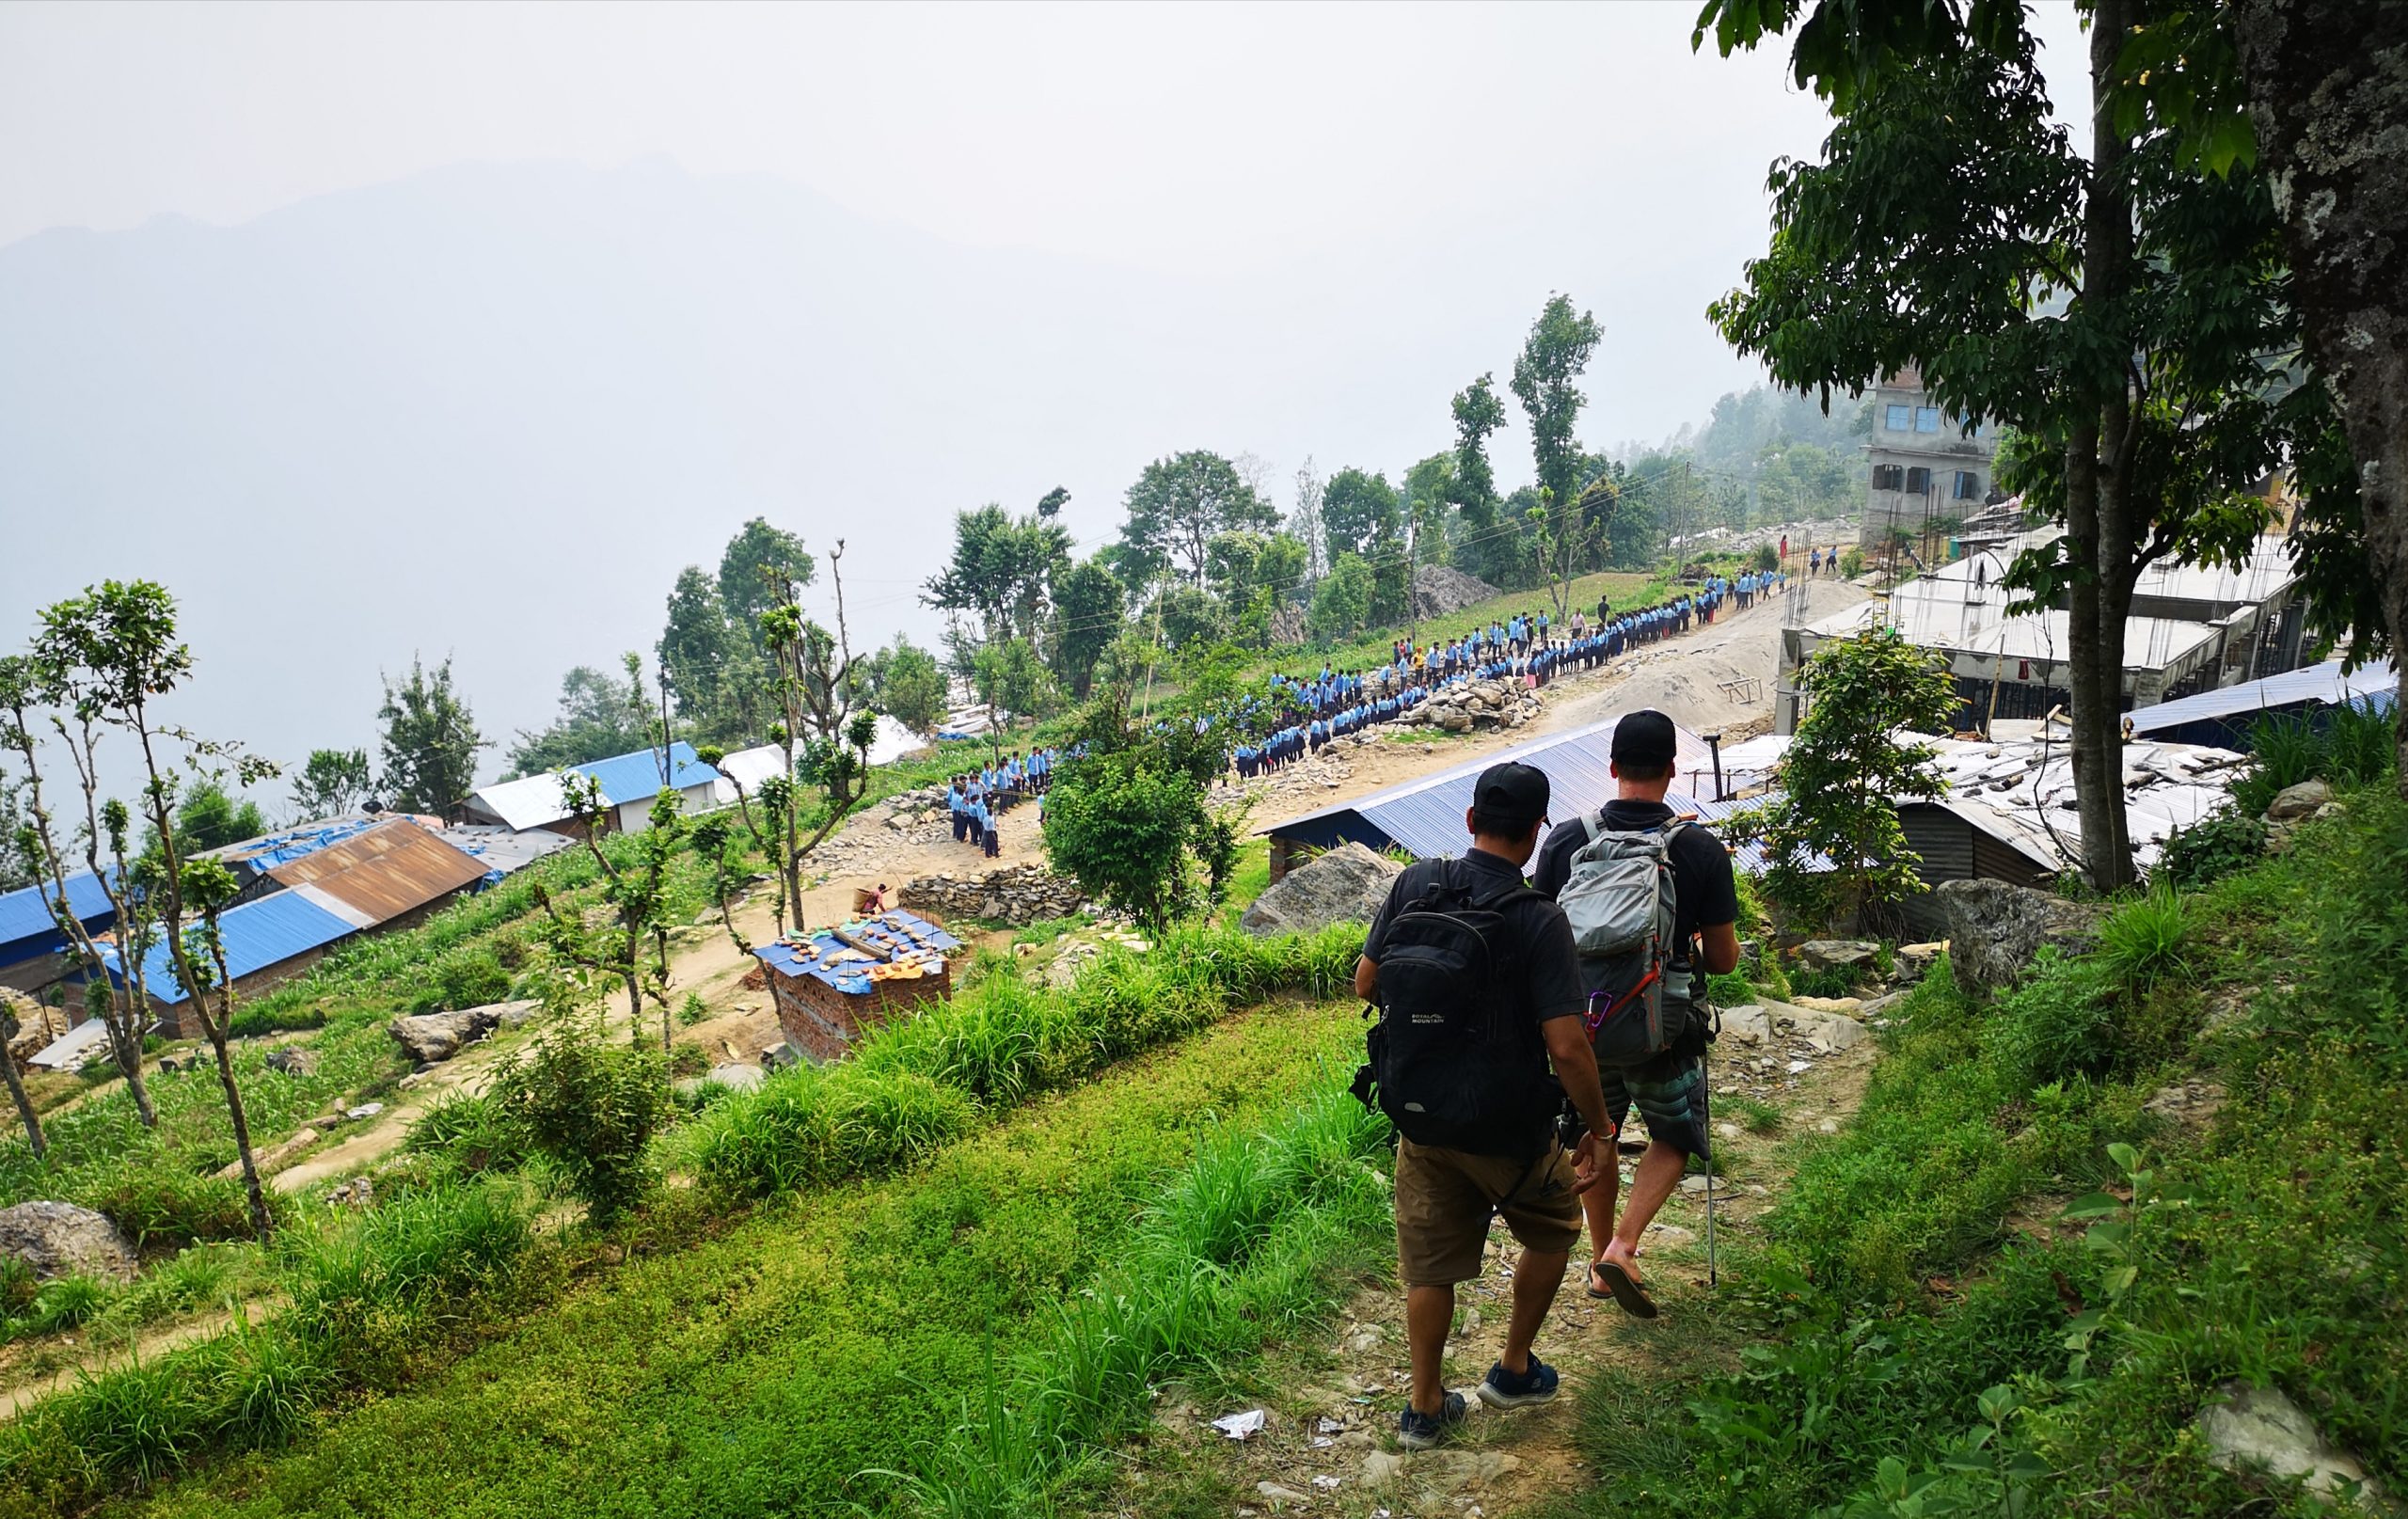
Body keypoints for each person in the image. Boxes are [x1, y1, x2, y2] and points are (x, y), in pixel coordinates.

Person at [1355, 762, 1618, 1449]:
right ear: (1535, 835)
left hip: (1421, 1117)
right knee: (1556, 1229)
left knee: (1429, 1264)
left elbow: (1365, 983)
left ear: (1470, 821)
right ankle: (1513, 1366)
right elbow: (1566, 1045)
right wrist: (1599, 1127)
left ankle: (1423, 1407)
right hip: (1511, 1130)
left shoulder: (1415, 883)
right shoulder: (1538, 919)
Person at [1529, 710, 1741, 1318]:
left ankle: (1601, 1262)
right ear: (1672, 769)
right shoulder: (1698, 848)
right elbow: (1723, 960)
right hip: (1661, 1029)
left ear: (1614, 767)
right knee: (1674, 1135)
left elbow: (1540, 941)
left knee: (1600, 1134)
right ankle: (1624, 1245)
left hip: (1583, 1029)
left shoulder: (1569, 839)